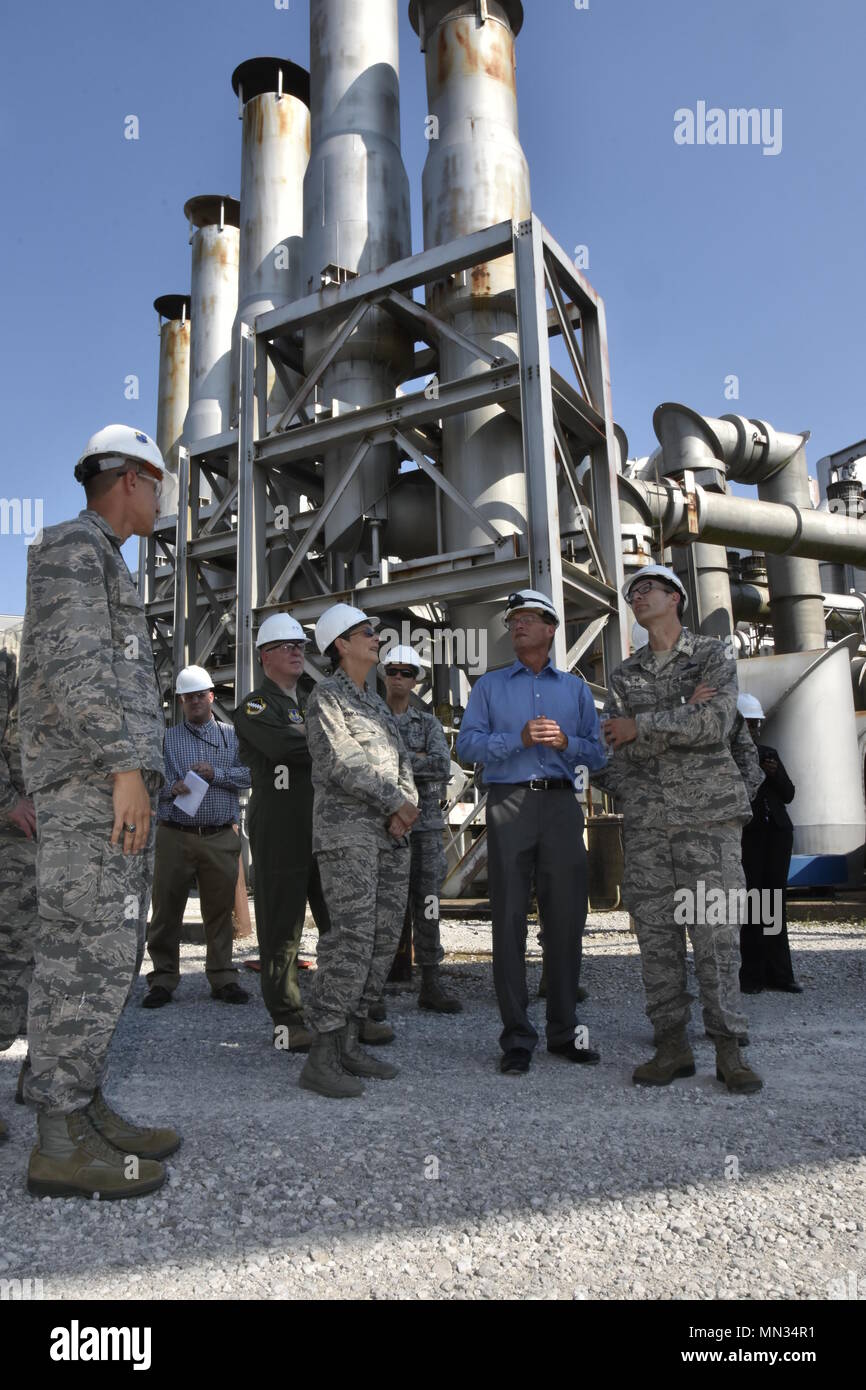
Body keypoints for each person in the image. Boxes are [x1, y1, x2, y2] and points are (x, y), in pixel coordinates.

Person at [18, 424, 181, 1199]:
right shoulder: (70, 549)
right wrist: (123, 767)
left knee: (109, 955)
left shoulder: (103, 560)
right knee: (81, 954)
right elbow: (78, 665)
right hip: (91, 788)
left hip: (106, 788)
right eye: (159, 482)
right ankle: (57, 1139)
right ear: (130, 480)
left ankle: (81, 1110)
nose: (162, 498)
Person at [593, 564, 762, 1095]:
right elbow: (615, 748)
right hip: (646, 824)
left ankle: (729, 1051)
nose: (638, 597)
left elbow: (716, 724)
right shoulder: (624, 674)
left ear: (676, 597)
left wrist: (645, 724)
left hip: (707, 821)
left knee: (716, 938)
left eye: (647, 589)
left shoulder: (713, 655)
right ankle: (672, 1046)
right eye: (632, 593)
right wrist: (679, 715)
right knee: (657, 941)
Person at [456, 588, 607, 1075]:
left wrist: (567, 742)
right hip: (510, 803)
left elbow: (599, 754)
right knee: (508, 918)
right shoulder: (489, 687)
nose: (517, 624)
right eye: (513, 618)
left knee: (566, 920)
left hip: (562, 803)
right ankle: (517, 1037)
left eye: (528, 617)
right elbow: (467, 747)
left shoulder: (576, 690)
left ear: (551, 629)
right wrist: (514, 739)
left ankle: (564, 1031)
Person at [300, 604, 418, 1099]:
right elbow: (344, 762)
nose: (375, 638)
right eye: (365, 633)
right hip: (348, 837)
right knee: (350, 939)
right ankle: (321, 1056)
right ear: (340, 645)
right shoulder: (328, 699)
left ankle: (350, 1040)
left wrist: (405, 804)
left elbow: (403, 762)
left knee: (381, 940)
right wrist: (395, 801)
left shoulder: (373, 704)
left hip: (390, 839)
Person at [233, 613, 332, 1054]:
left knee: (338, 921)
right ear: (264, 656)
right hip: (280, 827)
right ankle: (287, 1023)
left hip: (325, 824)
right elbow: (284, 747)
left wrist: (313, 736)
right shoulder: (255, 706)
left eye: (301, 645)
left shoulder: (314, 698)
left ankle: (343, 1012)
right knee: (282, 927)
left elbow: (317, 741)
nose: (297, 651)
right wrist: (325, 740)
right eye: (286, 645)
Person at [143, 664, 251, 1008]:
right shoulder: (167, 738)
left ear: (211, 697)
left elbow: (251, 775)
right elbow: (149, 787)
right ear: (181, 701)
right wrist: (169, 789)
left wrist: (216, 773)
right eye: (187, 698)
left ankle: (222, 977)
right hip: (175, 833)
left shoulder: (232, 736)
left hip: (220, 834)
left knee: (219, 911)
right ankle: (162, 979)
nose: (194, 702)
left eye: (199, 696)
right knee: (166, 909)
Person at [382, 645, 461, 1014]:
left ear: (416, 680)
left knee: (427, 904)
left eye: (406, 672)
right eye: (393, 670)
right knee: (384, 906)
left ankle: (431, 980)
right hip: (383, 828)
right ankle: (375, 986)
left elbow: (442, 767)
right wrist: (418, 760)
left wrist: (395, 760)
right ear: (384, 674)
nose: (399, 677)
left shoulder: (427, 723)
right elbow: (366, 768)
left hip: (426, 828)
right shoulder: (372, 718)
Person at [737, 693, 801, 995]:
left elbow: (788, 794)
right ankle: (752, 974)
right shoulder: (729, 758)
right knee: (752, 904)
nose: (753, 731)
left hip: (776, 835)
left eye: (756, 725)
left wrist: (773, 775)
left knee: (773, 903)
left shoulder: (769, 753)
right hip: (749, 837)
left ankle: (780, 973)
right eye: (749, 725)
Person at [0, 639, 37, 1141]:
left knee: (33, 956)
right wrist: (8, 799)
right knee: (11, 955)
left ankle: (44, 1076)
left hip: (37, 838)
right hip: (12, 838)